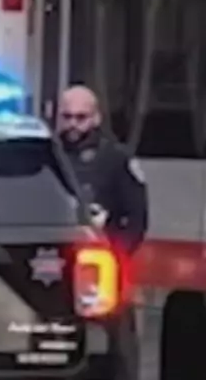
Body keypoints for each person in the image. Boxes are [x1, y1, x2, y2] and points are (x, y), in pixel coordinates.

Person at [54, 85, 148, 254]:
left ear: (96, 118)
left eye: (81, 117)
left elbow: (136, 218)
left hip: (98, 253)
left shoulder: (115, 158)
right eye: (66, 117)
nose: (72, 124)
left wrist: (117, 255)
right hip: (52, 253)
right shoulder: (47, 155)